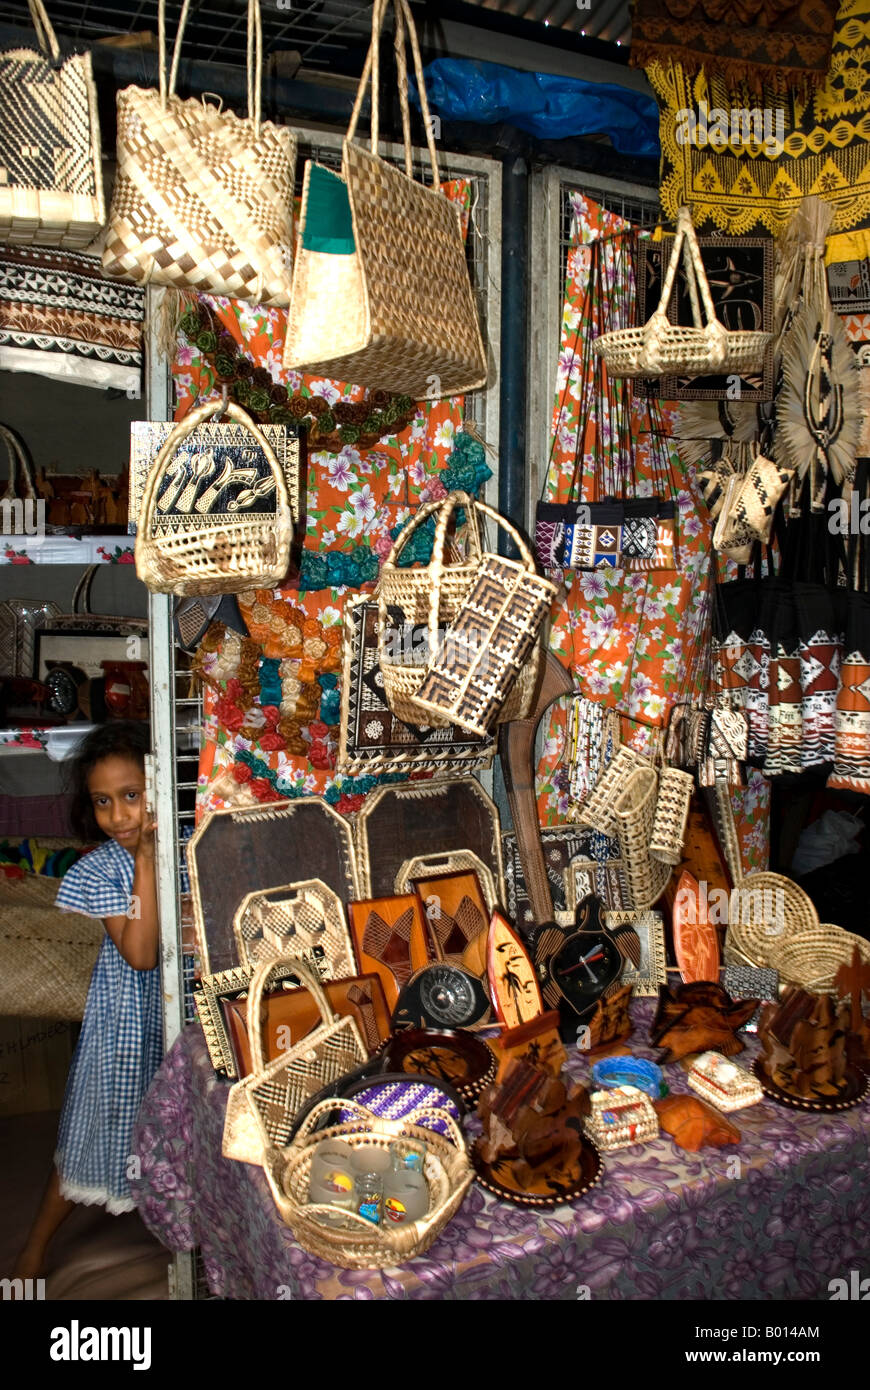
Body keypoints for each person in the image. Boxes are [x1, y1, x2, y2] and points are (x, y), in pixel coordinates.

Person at [13, 721, 162, 1278]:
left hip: (184, 1022)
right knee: (94, 1127)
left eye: (131, 796)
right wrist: (146, 860)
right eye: (104, 801)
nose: (119, 816)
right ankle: (34, 1249)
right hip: (125, 1023)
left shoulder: (193, 843)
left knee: (178, 1127)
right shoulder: (102, 868)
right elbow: (141, 953)